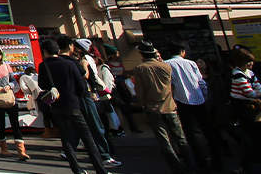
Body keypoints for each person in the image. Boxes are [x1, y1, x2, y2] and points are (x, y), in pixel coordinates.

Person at [39, 39, 111, 174]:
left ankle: (76, 169)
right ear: (58, 50)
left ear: (44, 52)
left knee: (66, 138)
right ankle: (100, 169)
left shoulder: (44, 66)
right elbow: (81, 86)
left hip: (57, 106)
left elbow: (42, 85)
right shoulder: (70, 64)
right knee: (88, 138)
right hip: (74, 104)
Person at [131, 40, 194, 174]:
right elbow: (173, 85)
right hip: (170, 106)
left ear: (142, 55)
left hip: (153, 108)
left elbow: (140, 90)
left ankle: (176, 167)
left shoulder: (140, 69)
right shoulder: (166, 66)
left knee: (164, 141)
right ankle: (191, 164)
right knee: (181, 138)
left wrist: (142, 104)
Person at [165, 42, 220, 171]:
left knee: (191, 133)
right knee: (208, 130)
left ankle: (201, 161)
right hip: (199, 99)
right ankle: (216, 159)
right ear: (182, 51)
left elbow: (170, 85)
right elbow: (201, 82)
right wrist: (205, 97)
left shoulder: (166, 65)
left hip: (181, 101)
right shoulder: (191, 63)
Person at [65, 38, 119, 166]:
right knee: (93, 125)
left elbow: (89, 76)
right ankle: (104, 154)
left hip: (83, 95)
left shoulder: (81, 59)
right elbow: (90, 76)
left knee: (88, 124)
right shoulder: (83, 60)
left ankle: (101, 153)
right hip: (86, 95)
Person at [0, 46, 30, 160]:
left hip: (9, 97)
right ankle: (4, 149)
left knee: (15, 124)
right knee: (1, 124)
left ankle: (21, 151)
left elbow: (13, 80)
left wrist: (10, 86)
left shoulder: (6, 66)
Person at [228, 45, 261, 163]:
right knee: (252, 131)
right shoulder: (237, 74)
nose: (251, 63)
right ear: (240, 62)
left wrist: (257, 93)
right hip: (243, 105)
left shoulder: (250, 72)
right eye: (248, 61)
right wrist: (257, 95)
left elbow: (257, 86)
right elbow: (247, 92)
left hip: (252, 103)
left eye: (251, 61)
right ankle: (253, 157)